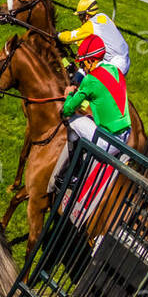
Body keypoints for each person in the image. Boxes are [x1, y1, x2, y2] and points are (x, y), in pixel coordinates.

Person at [50, 35, 131, 192]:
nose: (83, 67)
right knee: (88, 117)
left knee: (72, 120)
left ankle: (73, 173)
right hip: (127, 134)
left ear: (91, 60)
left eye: (83, 63)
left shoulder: (90, 80)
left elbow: (67, 109)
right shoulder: (114, 69)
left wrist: (70, 94)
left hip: (109, 142)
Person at [58, 0, 131, 77]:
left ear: (87, 16)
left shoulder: (91, 25)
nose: (80, 19)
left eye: (80, 16)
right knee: (84, 70)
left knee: (85, 78)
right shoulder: (103, 16)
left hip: (114, 64)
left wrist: (57, 35)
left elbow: (68, 38)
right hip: (126, 59)